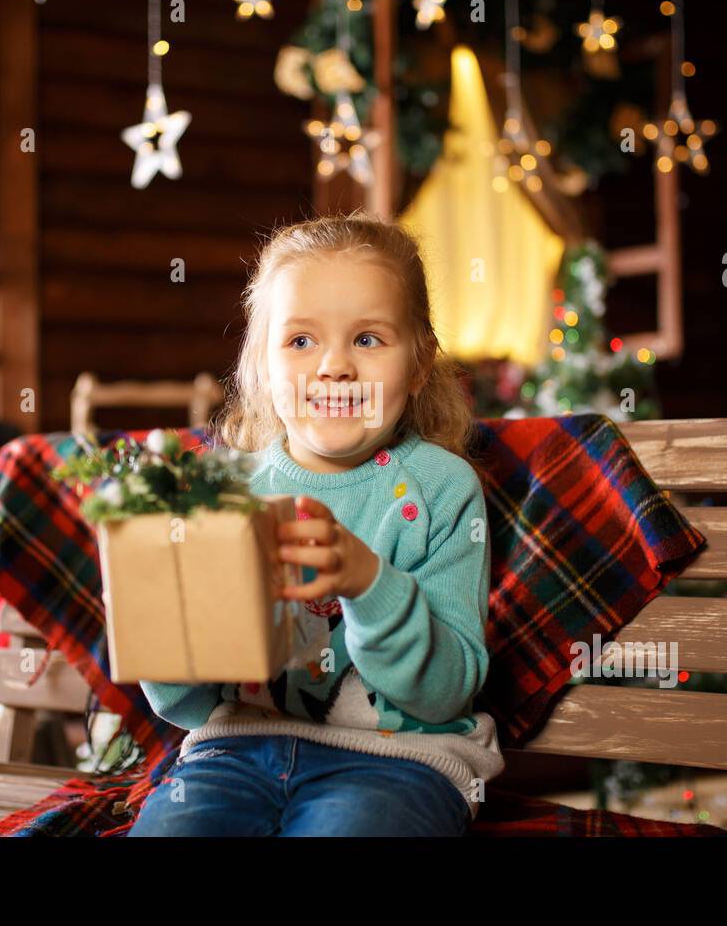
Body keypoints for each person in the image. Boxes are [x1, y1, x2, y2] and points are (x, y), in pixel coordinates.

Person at [130, 212, 504, 836]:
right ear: (262, 365)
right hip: (234, 753)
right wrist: (156, 617)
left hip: (398, 762)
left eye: (367, 339)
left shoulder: (442, 488)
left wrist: (367, 581)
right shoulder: (225, 493)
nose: (334, 367)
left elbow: (445, 692)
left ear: (418, 363)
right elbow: (187, 703)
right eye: (301, 341)